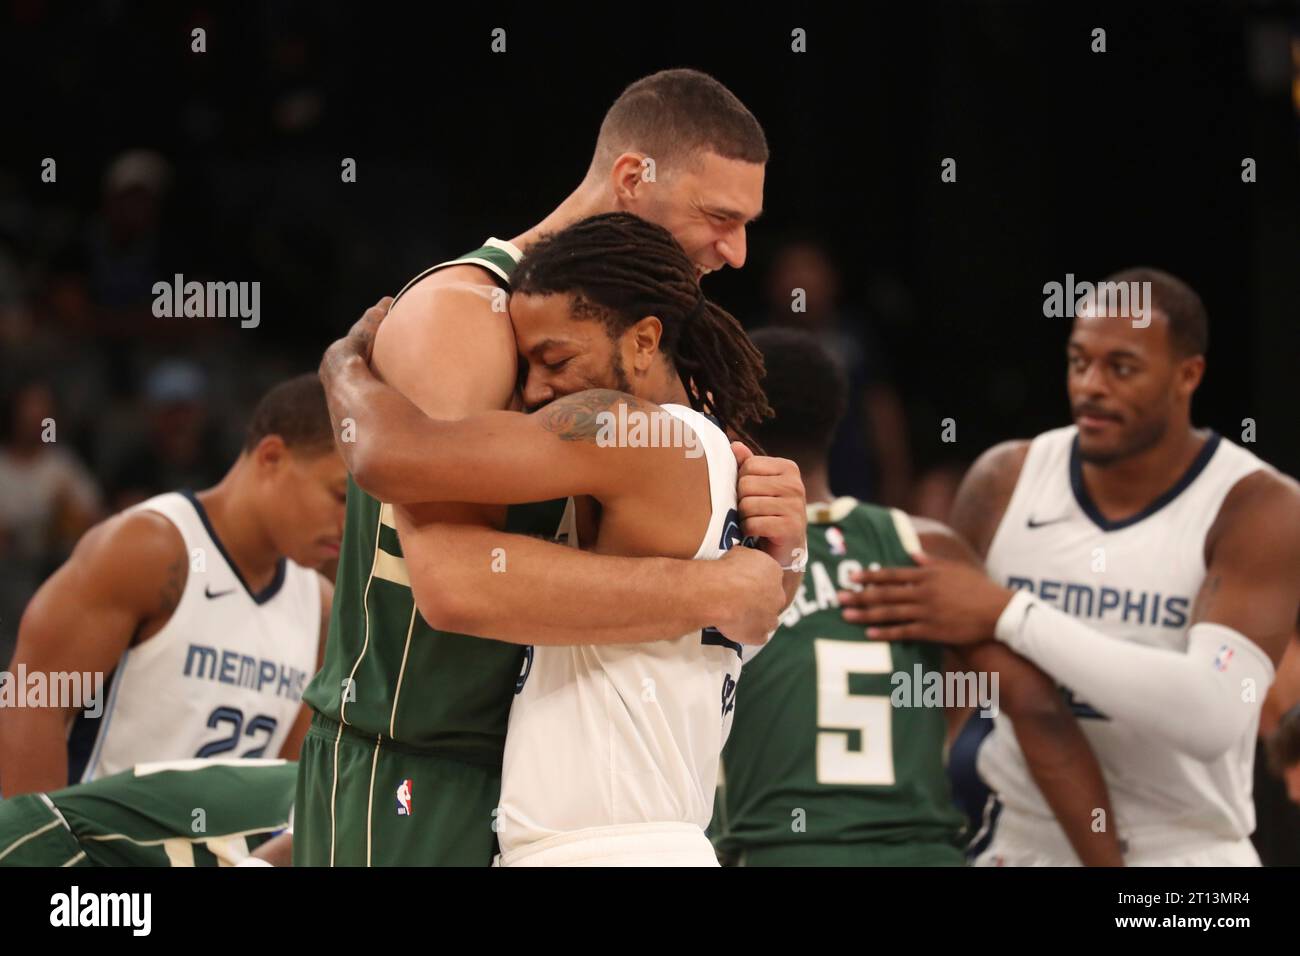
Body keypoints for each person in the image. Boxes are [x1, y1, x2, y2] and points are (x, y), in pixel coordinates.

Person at [295, 68, 804, 867]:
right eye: (719, 217)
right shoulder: (464, 310)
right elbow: (455, 582)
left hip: (562, 794)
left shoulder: (659, 363)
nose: (736, 253)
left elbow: (754, 612)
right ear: (634, 178)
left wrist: (782, 556)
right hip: (418, 761)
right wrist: (721, 587)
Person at [848, 268, 1300, 865]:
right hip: (1022, 839)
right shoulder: (1004, 480)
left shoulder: (1257, 504)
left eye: (1121, 367)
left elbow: (1212, 714)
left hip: (1185, 851)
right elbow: (954, 683)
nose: (1090, 386)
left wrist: (1012, 612)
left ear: (1187, 375)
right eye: (1078, 361)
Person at [711, 327, 1122, 866]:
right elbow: (1030, 703)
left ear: (729, 424)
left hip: (781, 853)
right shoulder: (924, 547)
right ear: (839, 420)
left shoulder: (712, 559)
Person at [0, 374, 339, 796]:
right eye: (340, 496)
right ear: (271, 457)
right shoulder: (149, 550)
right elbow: (32, 700)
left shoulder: (320, 607)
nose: (347, 523)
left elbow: (281, 788)